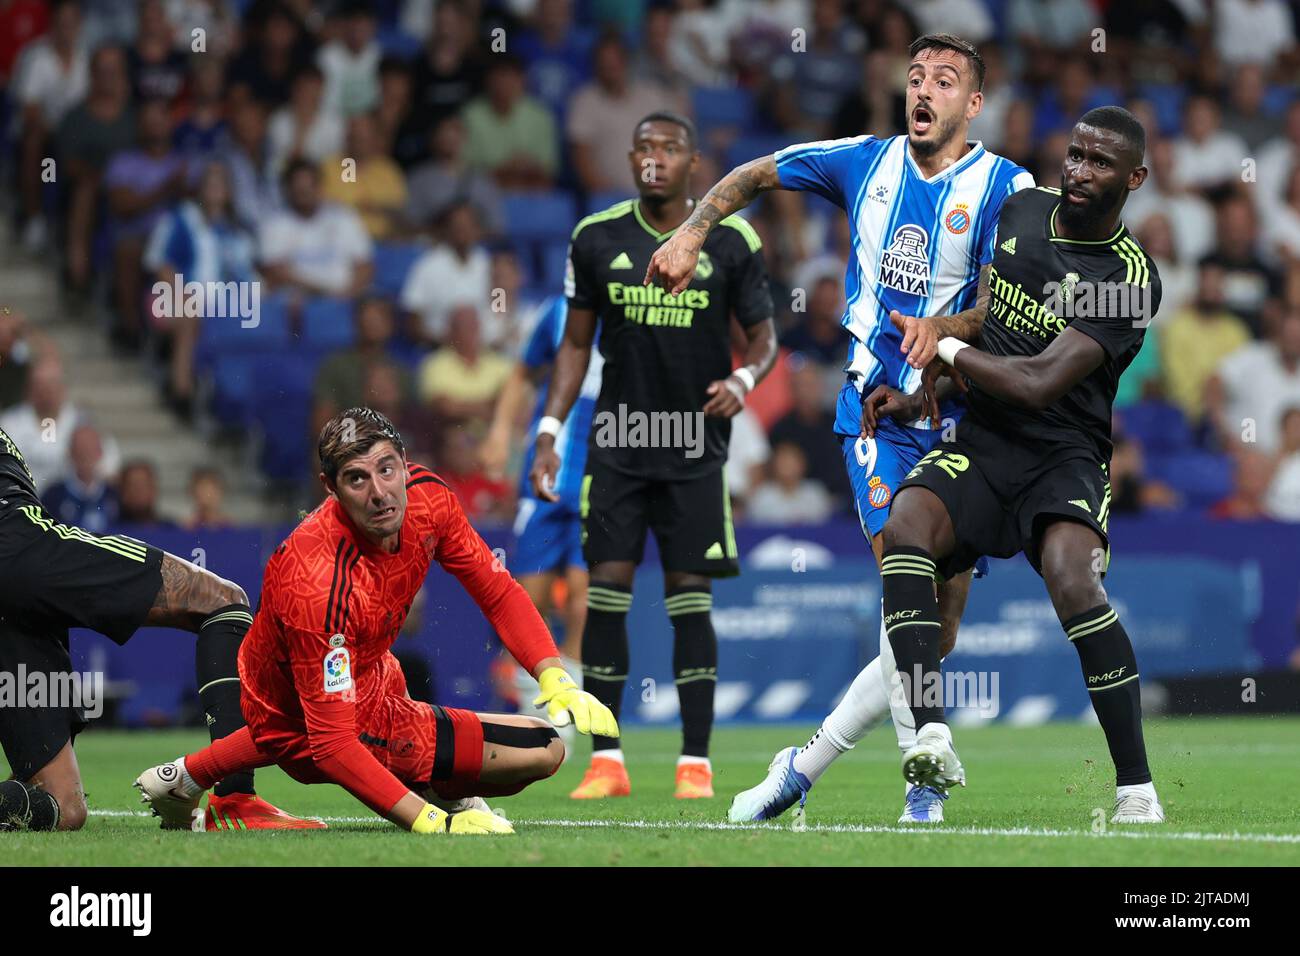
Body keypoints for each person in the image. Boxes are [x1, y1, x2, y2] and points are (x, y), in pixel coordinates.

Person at [649, 33, 1032, 824]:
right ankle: (924, 767)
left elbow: (1009, 297)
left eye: (945, 81)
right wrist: (691, 233)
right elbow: (755, 174)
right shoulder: (864, 160)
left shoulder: (1006, 185)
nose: (924, 91)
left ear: (974, 104)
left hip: (962, 423)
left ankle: (801, 766)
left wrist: (948, 324)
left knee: (938, 631)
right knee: (906, 576)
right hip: (875, 412)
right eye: (916, 76)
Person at [135, 408, 618, 835]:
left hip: (356, 672)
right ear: (331, 488)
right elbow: (331, 743)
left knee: (392, 675)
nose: (381, 493)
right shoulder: (319, 580)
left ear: (405, 463)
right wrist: (432, 823)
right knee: (544, 747)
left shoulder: (428, 497)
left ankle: (181, 779)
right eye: (357, 479)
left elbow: (495, 589)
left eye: (388, 469)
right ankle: (437, 794)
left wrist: (551, 672)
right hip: (313, 712)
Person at [879, 107, 1165, 823]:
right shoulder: (1020, 210)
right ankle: (932, 736)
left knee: (1074, 581)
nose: (1078, 170)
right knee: (907, 523)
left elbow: (1038, 381)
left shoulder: (1126, 279)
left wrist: (937, 349)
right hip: (984, 441)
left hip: (1061, 453)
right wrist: (925, 393)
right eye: (1073, 154)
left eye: (1100, 162)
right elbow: (990, 314)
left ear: (1135, 178)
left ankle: (1136, 790)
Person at [531, 111, 777, 800]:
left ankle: (693, 763)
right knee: (603, 595)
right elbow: (575, 346)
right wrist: (549, 433)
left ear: (695, 164)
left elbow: (764, 338)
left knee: (689, 602)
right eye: (643, 147)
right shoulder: (595, 237)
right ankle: (606, 761)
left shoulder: (732, 239)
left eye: (669, 148)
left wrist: (744, 379)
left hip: (696, 449)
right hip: (616, 445)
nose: (654, 158)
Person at [0, 425, 314, 831]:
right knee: (223, 600)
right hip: (19, 544)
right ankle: (236, 800)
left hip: (12, 601)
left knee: (64, 807)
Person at [481, 295, 603, 728]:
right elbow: (522, 373)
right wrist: (500, 431)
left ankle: (565, 716)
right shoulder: (557, 312)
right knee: (527, 600)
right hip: (546, 473)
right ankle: (534, 699)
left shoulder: (640, 312)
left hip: (604, 478)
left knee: (583, 599)